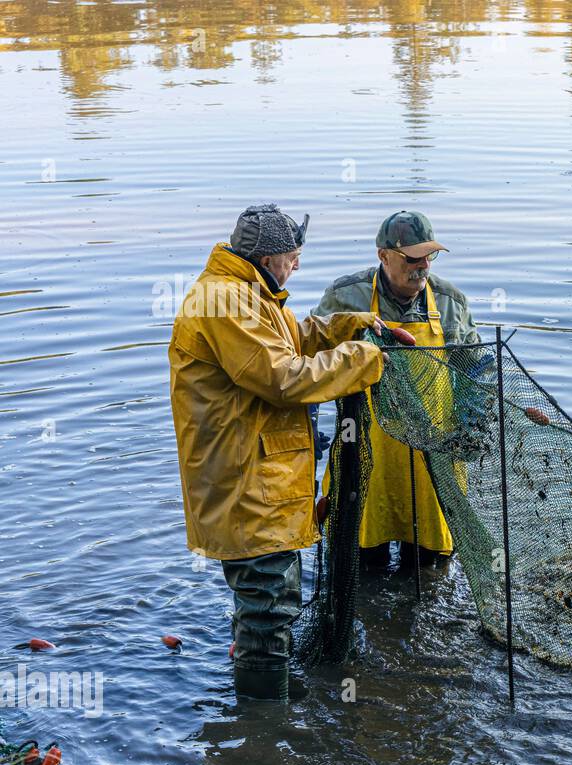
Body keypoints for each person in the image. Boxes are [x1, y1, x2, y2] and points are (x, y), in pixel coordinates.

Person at [169, 204, 387, 699]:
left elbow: (292, 339)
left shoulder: (248, 292)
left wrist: (344, 327)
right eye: (292, 257)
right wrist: (361, 357)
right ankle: (263, 729)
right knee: (268, 606)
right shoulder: (224, 302)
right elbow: (283, 378)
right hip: (246, 486)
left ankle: (266, 725)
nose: (297, 266)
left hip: (262, 484)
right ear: (267, 258)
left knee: (269, 604)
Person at [312, 210, 480, 570]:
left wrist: (472, 424)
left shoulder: (450, 303)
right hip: (365, 446)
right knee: (362, 560)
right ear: (383, 255)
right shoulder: (347, 298)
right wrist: (310, 429)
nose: (422, 266)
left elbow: (475, 369)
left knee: (429, 564)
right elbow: (307, 363)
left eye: (428, 256)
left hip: (432, 454)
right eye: (411, 258)